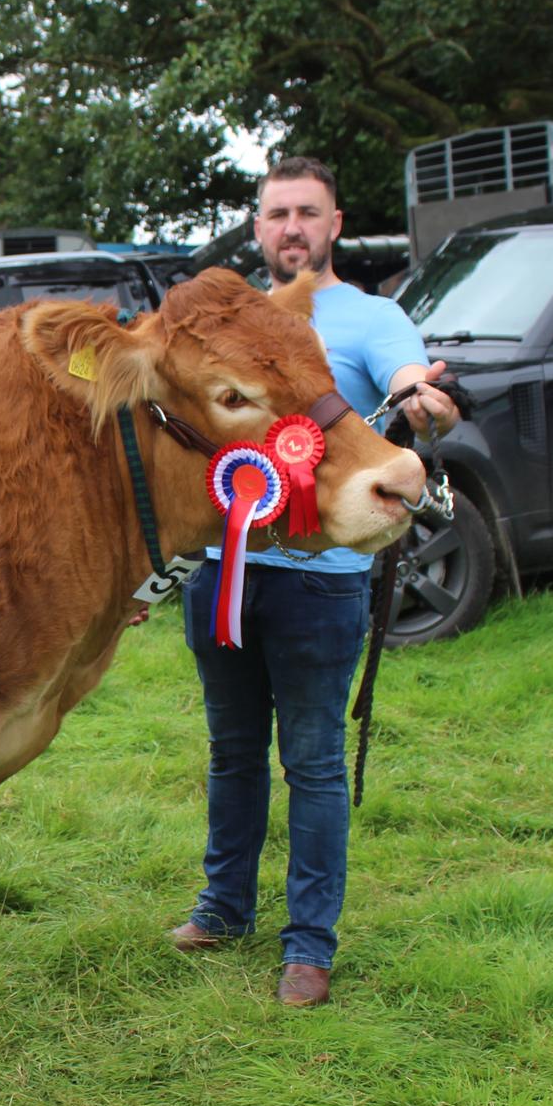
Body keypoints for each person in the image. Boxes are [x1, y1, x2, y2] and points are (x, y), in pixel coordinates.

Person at [170, 156, 459, 1007]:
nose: (291, 227)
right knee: (231, 754)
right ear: (257, 229)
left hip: (322, 585)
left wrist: (422, 401)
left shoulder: (371, 318)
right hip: (221, 575)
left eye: (307, 213)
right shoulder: (232, 321)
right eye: (276, 214)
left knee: (314, 761)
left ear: (336, 225)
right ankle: (223, 908)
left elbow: (413, 381)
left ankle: (309, 944)